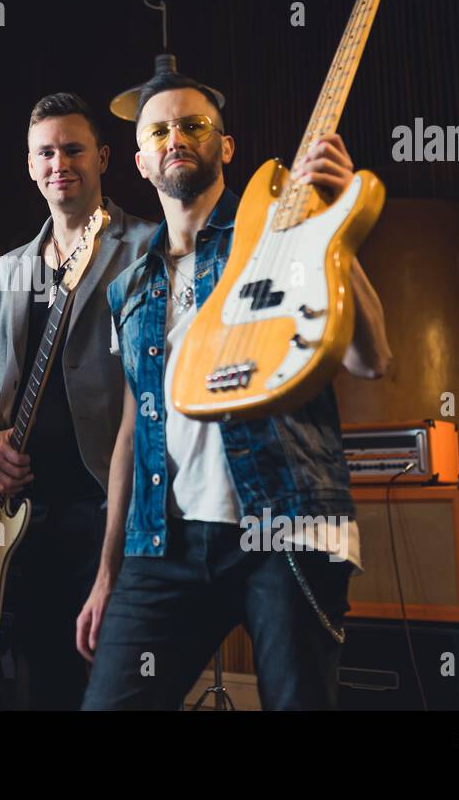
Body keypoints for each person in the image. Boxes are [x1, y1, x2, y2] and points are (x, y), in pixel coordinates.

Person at [78, 73, 393, 710]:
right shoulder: (128, 289)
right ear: (139, 162)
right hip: (163, 539)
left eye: (194, 125)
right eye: (158, 130)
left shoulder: (281, 234)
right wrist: (109, 568)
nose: (176, 138)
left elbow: (372, 358)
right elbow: (134, 427)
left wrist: (334, 226)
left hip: (287, 526)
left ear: (226, 147)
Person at [0, 92, 156, 709]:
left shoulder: (148, 247)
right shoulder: (9, 269)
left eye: (73, 149)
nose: (58, 162)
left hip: (108, 510)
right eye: (45, 152)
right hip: (22, 521)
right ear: (29, 165)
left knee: (117, 685)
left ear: (102, 158)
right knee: (40, 684)